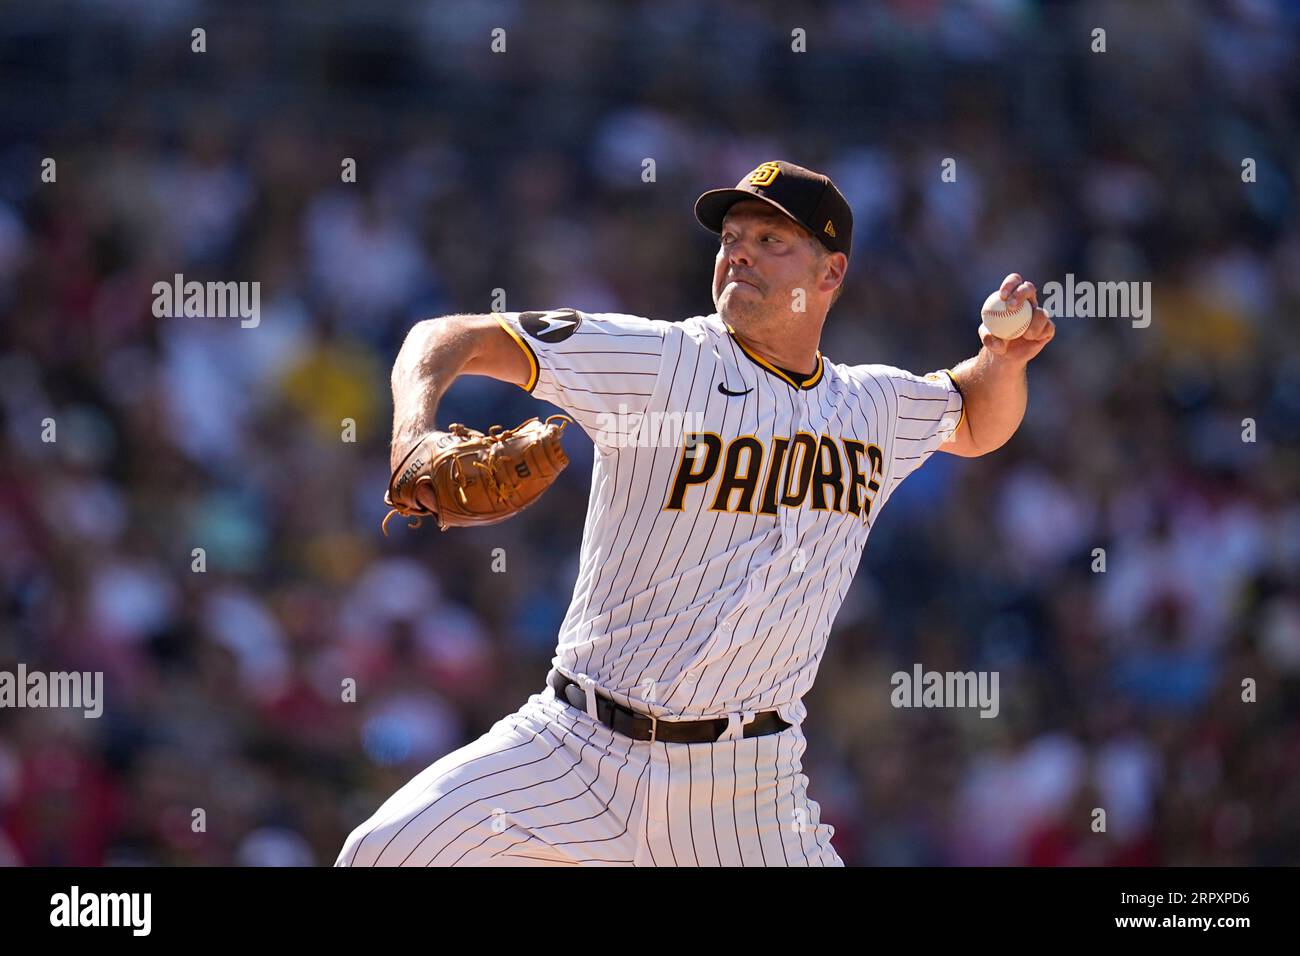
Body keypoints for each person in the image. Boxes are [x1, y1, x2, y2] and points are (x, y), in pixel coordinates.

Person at [336, 160, 1055, 866]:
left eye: (772, 242)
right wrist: (413, 437)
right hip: (575, 748)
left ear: (830, 274)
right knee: (379, 854)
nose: (740, 252)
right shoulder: (659, 360)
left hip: (745, 790)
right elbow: (444, 336)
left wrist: (1005, 358)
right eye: (732, 238)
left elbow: (975, 418)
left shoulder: (874, 407)